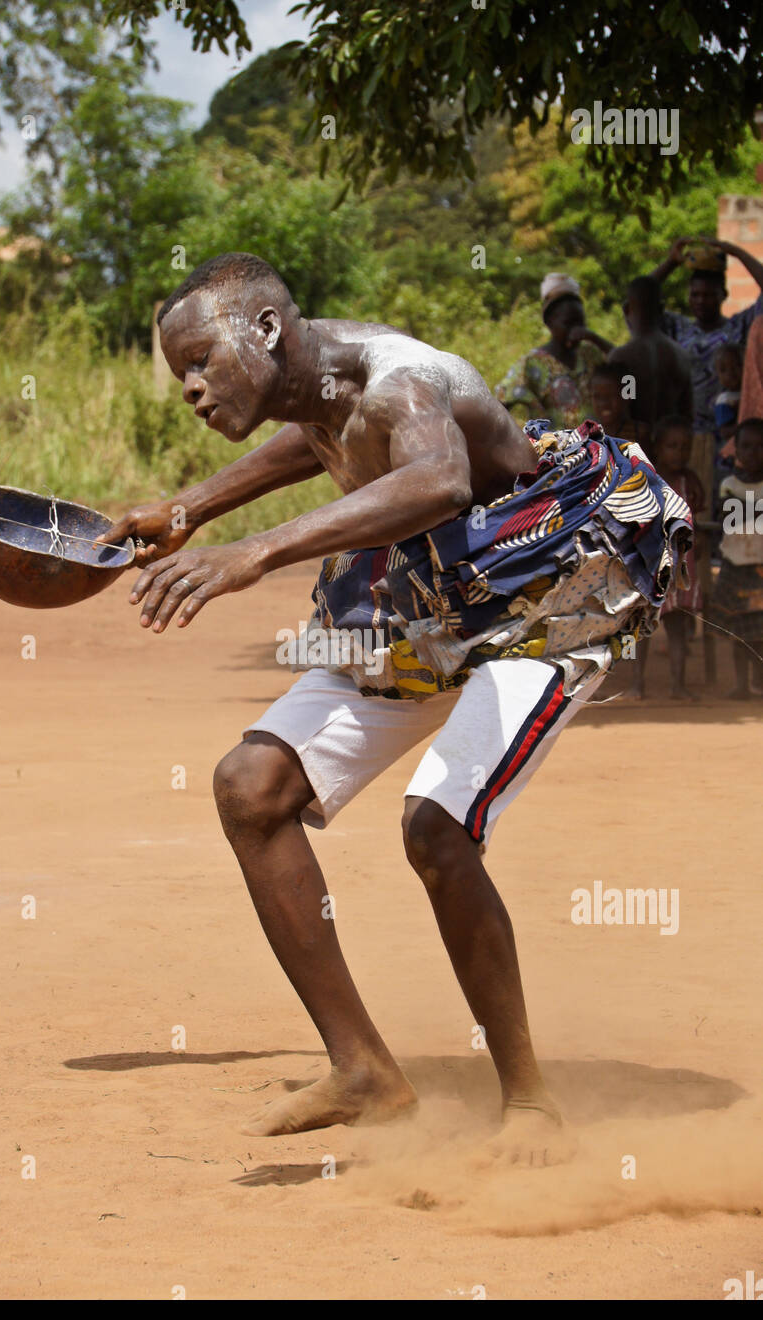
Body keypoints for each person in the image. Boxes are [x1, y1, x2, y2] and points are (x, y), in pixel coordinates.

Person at [100, 253, 691, 1166]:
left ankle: (529, 1098)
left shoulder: (401, 380)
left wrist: (252, 553)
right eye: (180, 370)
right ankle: (364, 1071)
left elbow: (435, 484)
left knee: (436, 828)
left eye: (199, 363)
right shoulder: (318, 382)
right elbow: (319, 441)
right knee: (250, 788)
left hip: (537, 606)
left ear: (263, 331)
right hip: (425, 598)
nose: (189, 388)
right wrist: (190, 507)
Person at [649, 236, 763, 508]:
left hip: (728, 438)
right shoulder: (677, 328)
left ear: (723, 295)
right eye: (695, 294)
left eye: (709, 294)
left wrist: (735, 251)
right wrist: (670, 262)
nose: (701, 300)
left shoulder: (737, 327)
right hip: (684, 439)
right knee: (686, 509)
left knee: (727, 506)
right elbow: (639, 299)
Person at [631, 417, 704, 701]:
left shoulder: (690, 483)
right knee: (643, 629)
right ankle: (637, 684)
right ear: (658, 449)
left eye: (685, 447)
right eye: (672, 446)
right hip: (651, 566)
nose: (679, 453)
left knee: (676, 628)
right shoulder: (648, 479)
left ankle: (678, 685)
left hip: (681, 567)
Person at [494, 273, 612, 428]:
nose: (576, 329)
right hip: (555, 449)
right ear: (550, 322)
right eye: (568, 323)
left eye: (580, 323)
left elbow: (623, 365)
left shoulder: (590, 354)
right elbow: (502, 400)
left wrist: (594, 337)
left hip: (595, 447)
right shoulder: (533, 362)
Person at [711, 417, 763, 698]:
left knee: (760, 631)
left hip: (760, 567)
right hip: (735, 565)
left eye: (760, 447)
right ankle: (741, 684)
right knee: (739, 630)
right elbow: (730, 519)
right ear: (737, 451)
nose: (754, 453)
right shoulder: (728, 484)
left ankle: (759, 682)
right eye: (747, 447)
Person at [607, 275, 693, 428]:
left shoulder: (623, 357)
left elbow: (624, 408)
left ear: (627, 309)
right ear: (661, 309)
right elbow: (687, 414)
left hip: (634, 446)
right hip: (670, 447)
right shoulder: (680, 356)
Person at [589, 361, 651, 453]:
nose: (604, 403)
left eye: (611, 396)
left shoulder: (639, 433)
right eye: (597, 397)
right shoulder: (586, 435)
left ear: (627, 397)